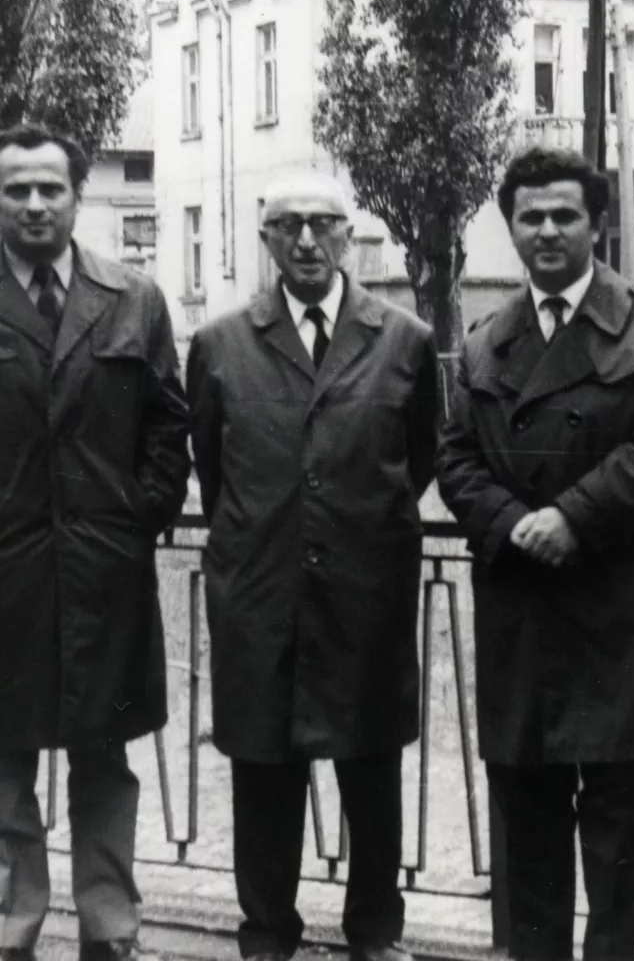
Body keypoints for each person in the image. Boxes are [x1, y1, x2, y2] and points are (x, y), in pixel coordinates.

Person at [437, 146, 634, 961]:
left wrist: (571, 520)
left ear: (598, 224)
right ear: (510, 227)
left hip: (622, 619)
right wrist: (515, 522)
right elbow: (453, 457)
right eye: (530, 216)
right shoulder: (485, 342)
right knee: (529, 837)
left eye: (565, 215)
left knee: (619, 843)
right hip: (524, 619)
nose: (547, 231)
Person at [186, 173, 439, 961]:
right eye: (287, 225)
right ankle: (265, 934)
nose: (305, 240)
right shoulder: (222, 344)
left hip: (366, 596)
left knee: (371, 773)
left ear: (348, 234)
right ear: (265, 240)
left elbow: (420, 458)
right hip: (262, 595)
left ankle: (374, 932)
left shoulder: (404, 340)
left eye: (322, 224)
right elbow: (213, 465)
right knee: (264, 772)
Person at [0, 122, 191, 960]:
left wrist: (131, 524)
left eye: (51, 188)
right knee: (3, 768)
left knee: (105, 760)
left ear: (78, 198)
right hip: (4, 580)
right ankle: (13, 931)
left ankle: (110, 933)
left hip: (105, 579)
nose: (35, 203)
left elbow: (166, 427)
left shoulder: (132, 299)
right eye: (16, 189)